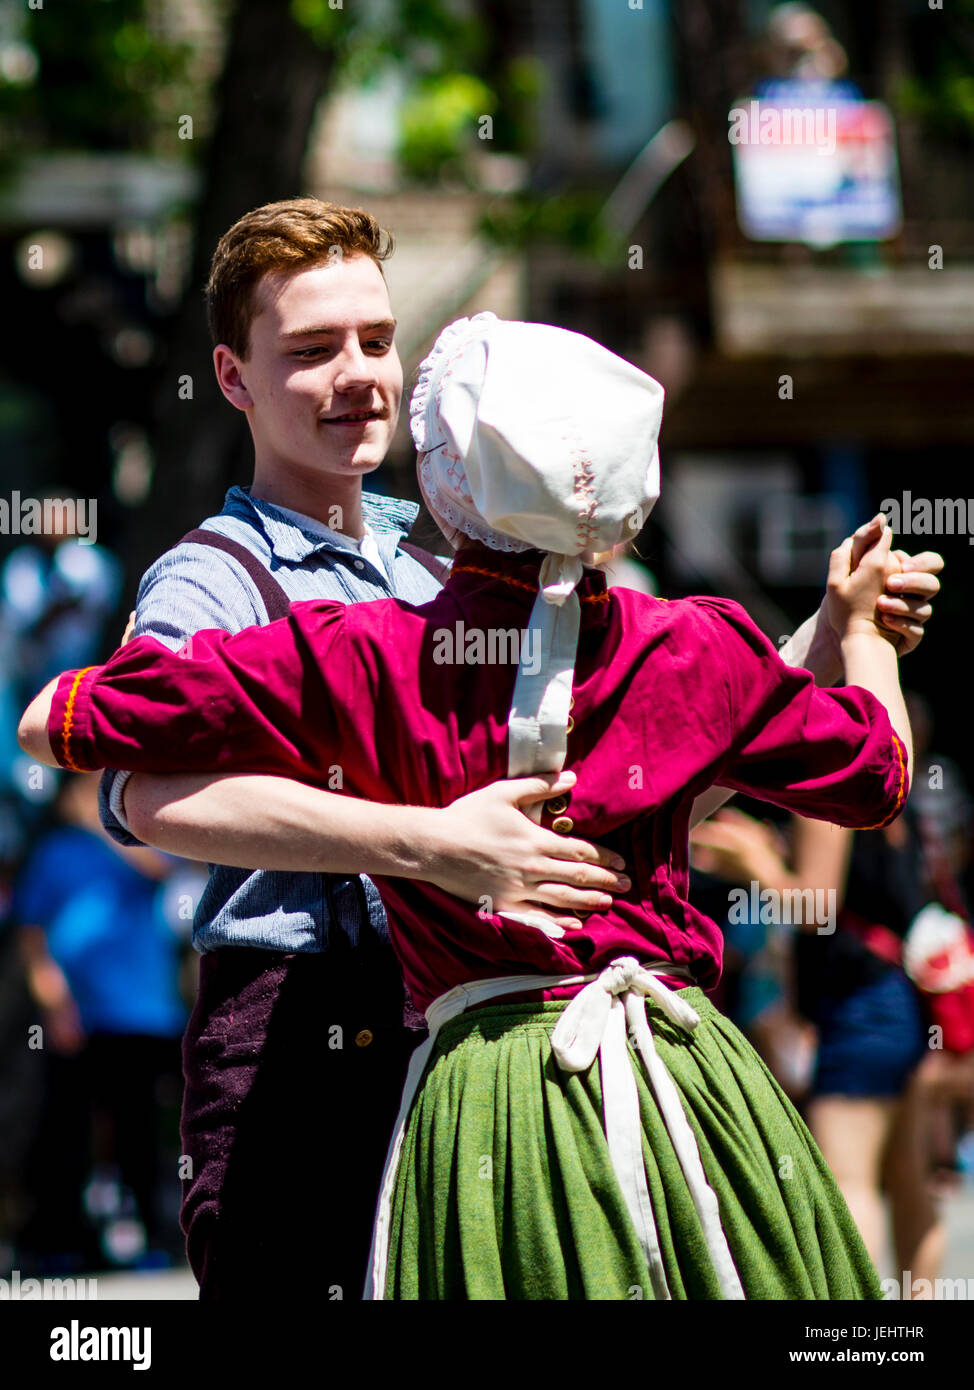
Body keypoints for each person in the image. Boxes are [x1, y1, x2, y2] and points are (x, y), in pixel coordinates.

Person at [80, 197, 940, 1299]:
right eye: (310, 351)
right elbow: (143, 796)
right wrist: (429, 844)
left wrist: (820, 642)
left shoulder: (451, 558)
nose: (358, 375)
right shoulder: (214, 576)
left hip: (477, 1030)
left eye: (377, 342)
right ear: (233, 377)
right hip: (303, 1030)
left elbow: (630, 767)